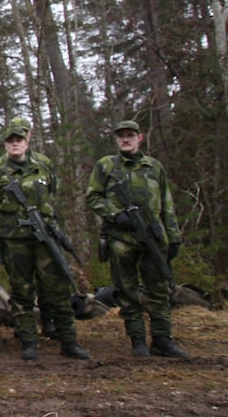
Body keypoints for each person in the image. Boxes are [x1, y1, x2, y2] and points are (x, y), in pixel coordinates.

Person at [0, 122, 90, 362]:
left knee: (57, 289)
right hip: (14, 239)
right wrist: (4, 226)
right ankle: (28, 341)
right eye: (10, 140)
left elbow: (52, 193)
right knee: (21, 291)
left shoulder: (43, 165)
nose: (14, 143)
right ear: (5, 144)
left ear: (27, 140)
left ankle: (69, 341)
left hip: (44, 238)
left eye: (18, 139)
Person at [86, 120, 187, 359]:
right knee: (127, 291)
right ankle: (138, 340)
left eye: (130, 135)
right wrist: (115, 215)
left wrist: (173, 236)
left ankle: (162, 340)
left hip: (153, 236)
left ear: (139, 138)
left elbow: (166, 203)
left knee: (159, 289)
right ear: (116, 139)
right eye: (121, 136)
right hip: (121, 240)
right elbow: (93, 197)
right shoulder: (106, 166)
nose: (126, 139)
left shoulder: (153, 167)